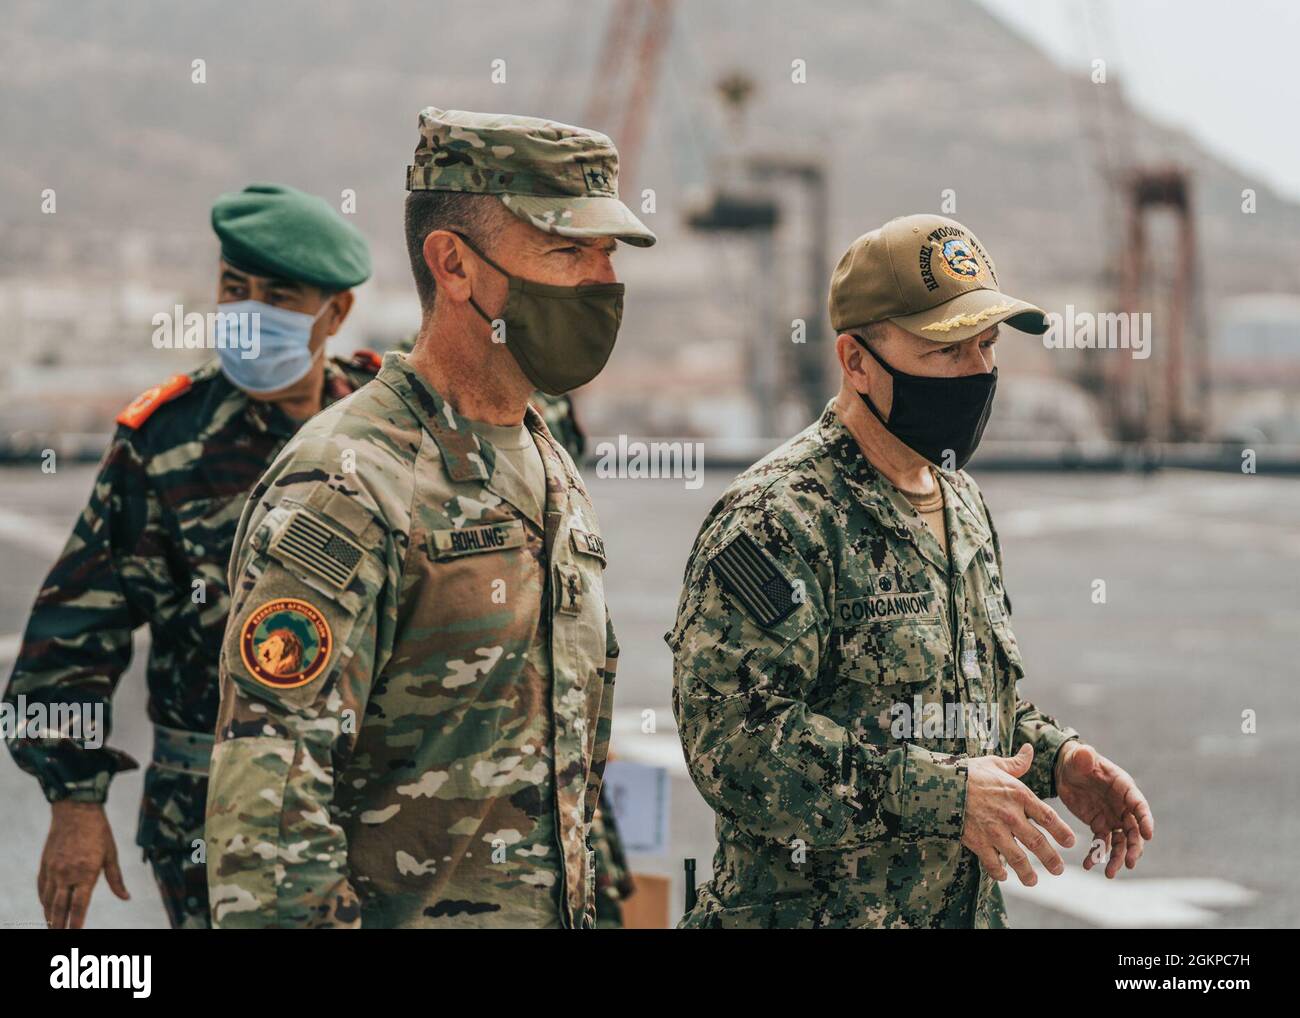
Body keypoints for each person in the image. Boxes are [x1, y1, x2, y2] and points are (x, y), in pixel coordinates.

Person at [205, 107, 656, 928]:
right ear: (453, 265)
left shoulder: (544, 456)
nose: (600, 281)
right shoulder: (349, 484)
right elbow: (268, 825)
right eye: (565, 250)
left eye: (608, 253)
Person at [669, 214, 1154, 928]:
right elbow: (734, 741)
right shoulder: (776, 520)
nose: (978, 373)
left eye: (987, 346)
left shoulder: (959, 499)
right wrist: (945, 796)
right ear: (855, 360)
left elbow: (960, 701)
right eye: (946, 352)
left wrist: (1056, 759)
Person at [2, 183, 377, 929]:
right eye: (234, 288)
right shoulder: (163, 442)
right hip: (210, 816)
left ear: (335, 314)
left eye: (279, 295)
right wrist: (74, 803)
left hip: (367, 810)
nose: (248, 312)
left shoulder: (383, 429)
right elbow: (70, 638)